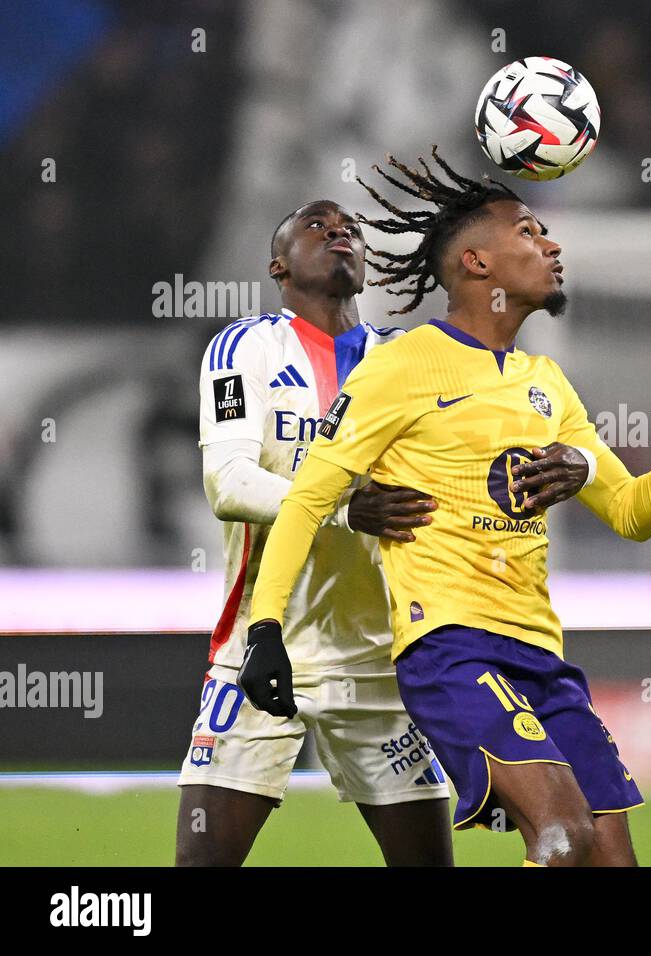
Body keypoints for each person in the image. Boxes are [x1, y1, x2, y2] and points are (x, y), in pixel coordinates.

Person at [239, 149, 651, 866]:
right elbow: (307, 501)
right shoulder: (400, 367)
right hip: (452, 651)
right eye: (528, 232)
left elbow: (634, 512)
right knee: (562, 835)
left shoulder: (546, 381)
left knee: (612, 860)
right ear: (476, 265)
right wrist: (265, 630)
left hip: (542, 660)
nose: (551, 245)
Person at [177, 199, 453, 867]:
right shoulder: (245, 347)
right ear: (278, 266)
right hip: (260, 645)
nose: (340, 232)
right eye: (317, 226)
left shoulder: (407, 362)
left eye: (351, 229)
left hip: (380, 660)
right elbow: (229, 483)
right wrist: (342, 508)